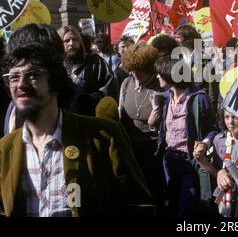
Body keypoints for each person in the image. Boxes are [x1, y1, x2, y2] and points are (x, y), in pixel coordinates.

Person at [0, 43, 152, 216]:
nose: (21, 84)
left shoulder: (103, 137)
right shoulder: (4, 150)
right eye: (13, 77)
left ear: (55, 82)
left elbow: (139, 204)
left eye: (33, 75)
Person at [154, 55, 220, 218]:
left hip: (189, 162)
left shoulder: (198, 98)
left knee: (186, 209)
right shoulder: (165, 98)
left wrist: (205, 143)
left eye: (159, 73)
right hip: (168, 161)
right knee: (171, 205)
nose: (157, 76)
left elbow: (214, 129)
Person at [118, 42, 166, 216]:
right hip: (131, 148)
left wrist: (157, 124)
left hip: (155, 150)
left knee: (156, 191)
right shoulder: (126, 84)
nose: (134, 74)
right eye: (131, 70)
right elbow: (121, 115)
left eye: (138, 70)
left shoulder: (160, 86)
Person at [58, 25, 118, 115]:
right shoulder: (57, 66)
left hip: (90, 119)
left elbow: (109, 88)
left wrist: (87, 100)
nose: (71, 43)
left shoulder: (95, 62)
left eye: (75, 39)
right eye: (66, 41)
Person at [193, 108, 238, 216]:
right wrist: (200, 159)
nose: (230, 122)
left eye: (235, 117)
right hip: (223, 195)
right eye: (227, 117)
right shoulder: (218, 139)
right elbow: (215, 171)